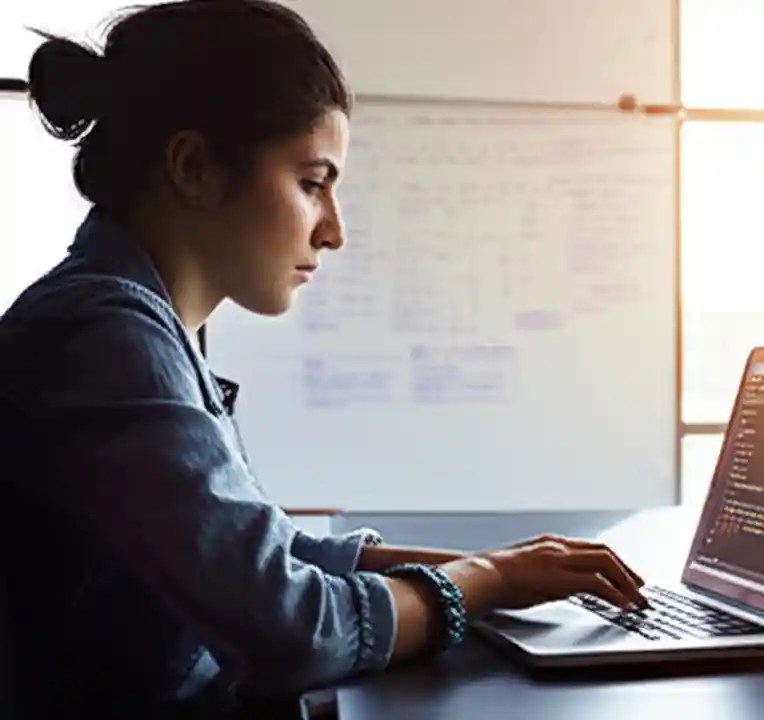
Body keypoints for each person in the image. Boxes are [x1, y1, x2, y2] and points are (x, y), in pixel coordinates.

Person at [0, 1, 647, 716]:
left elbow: (254, 554)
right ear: (194, 168)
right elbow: (290, 629)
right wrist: (482, 580)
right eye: (313, 183)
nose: (334, 231)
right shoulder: (107, 340)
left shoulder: (129, 324)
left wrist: (506, 570)